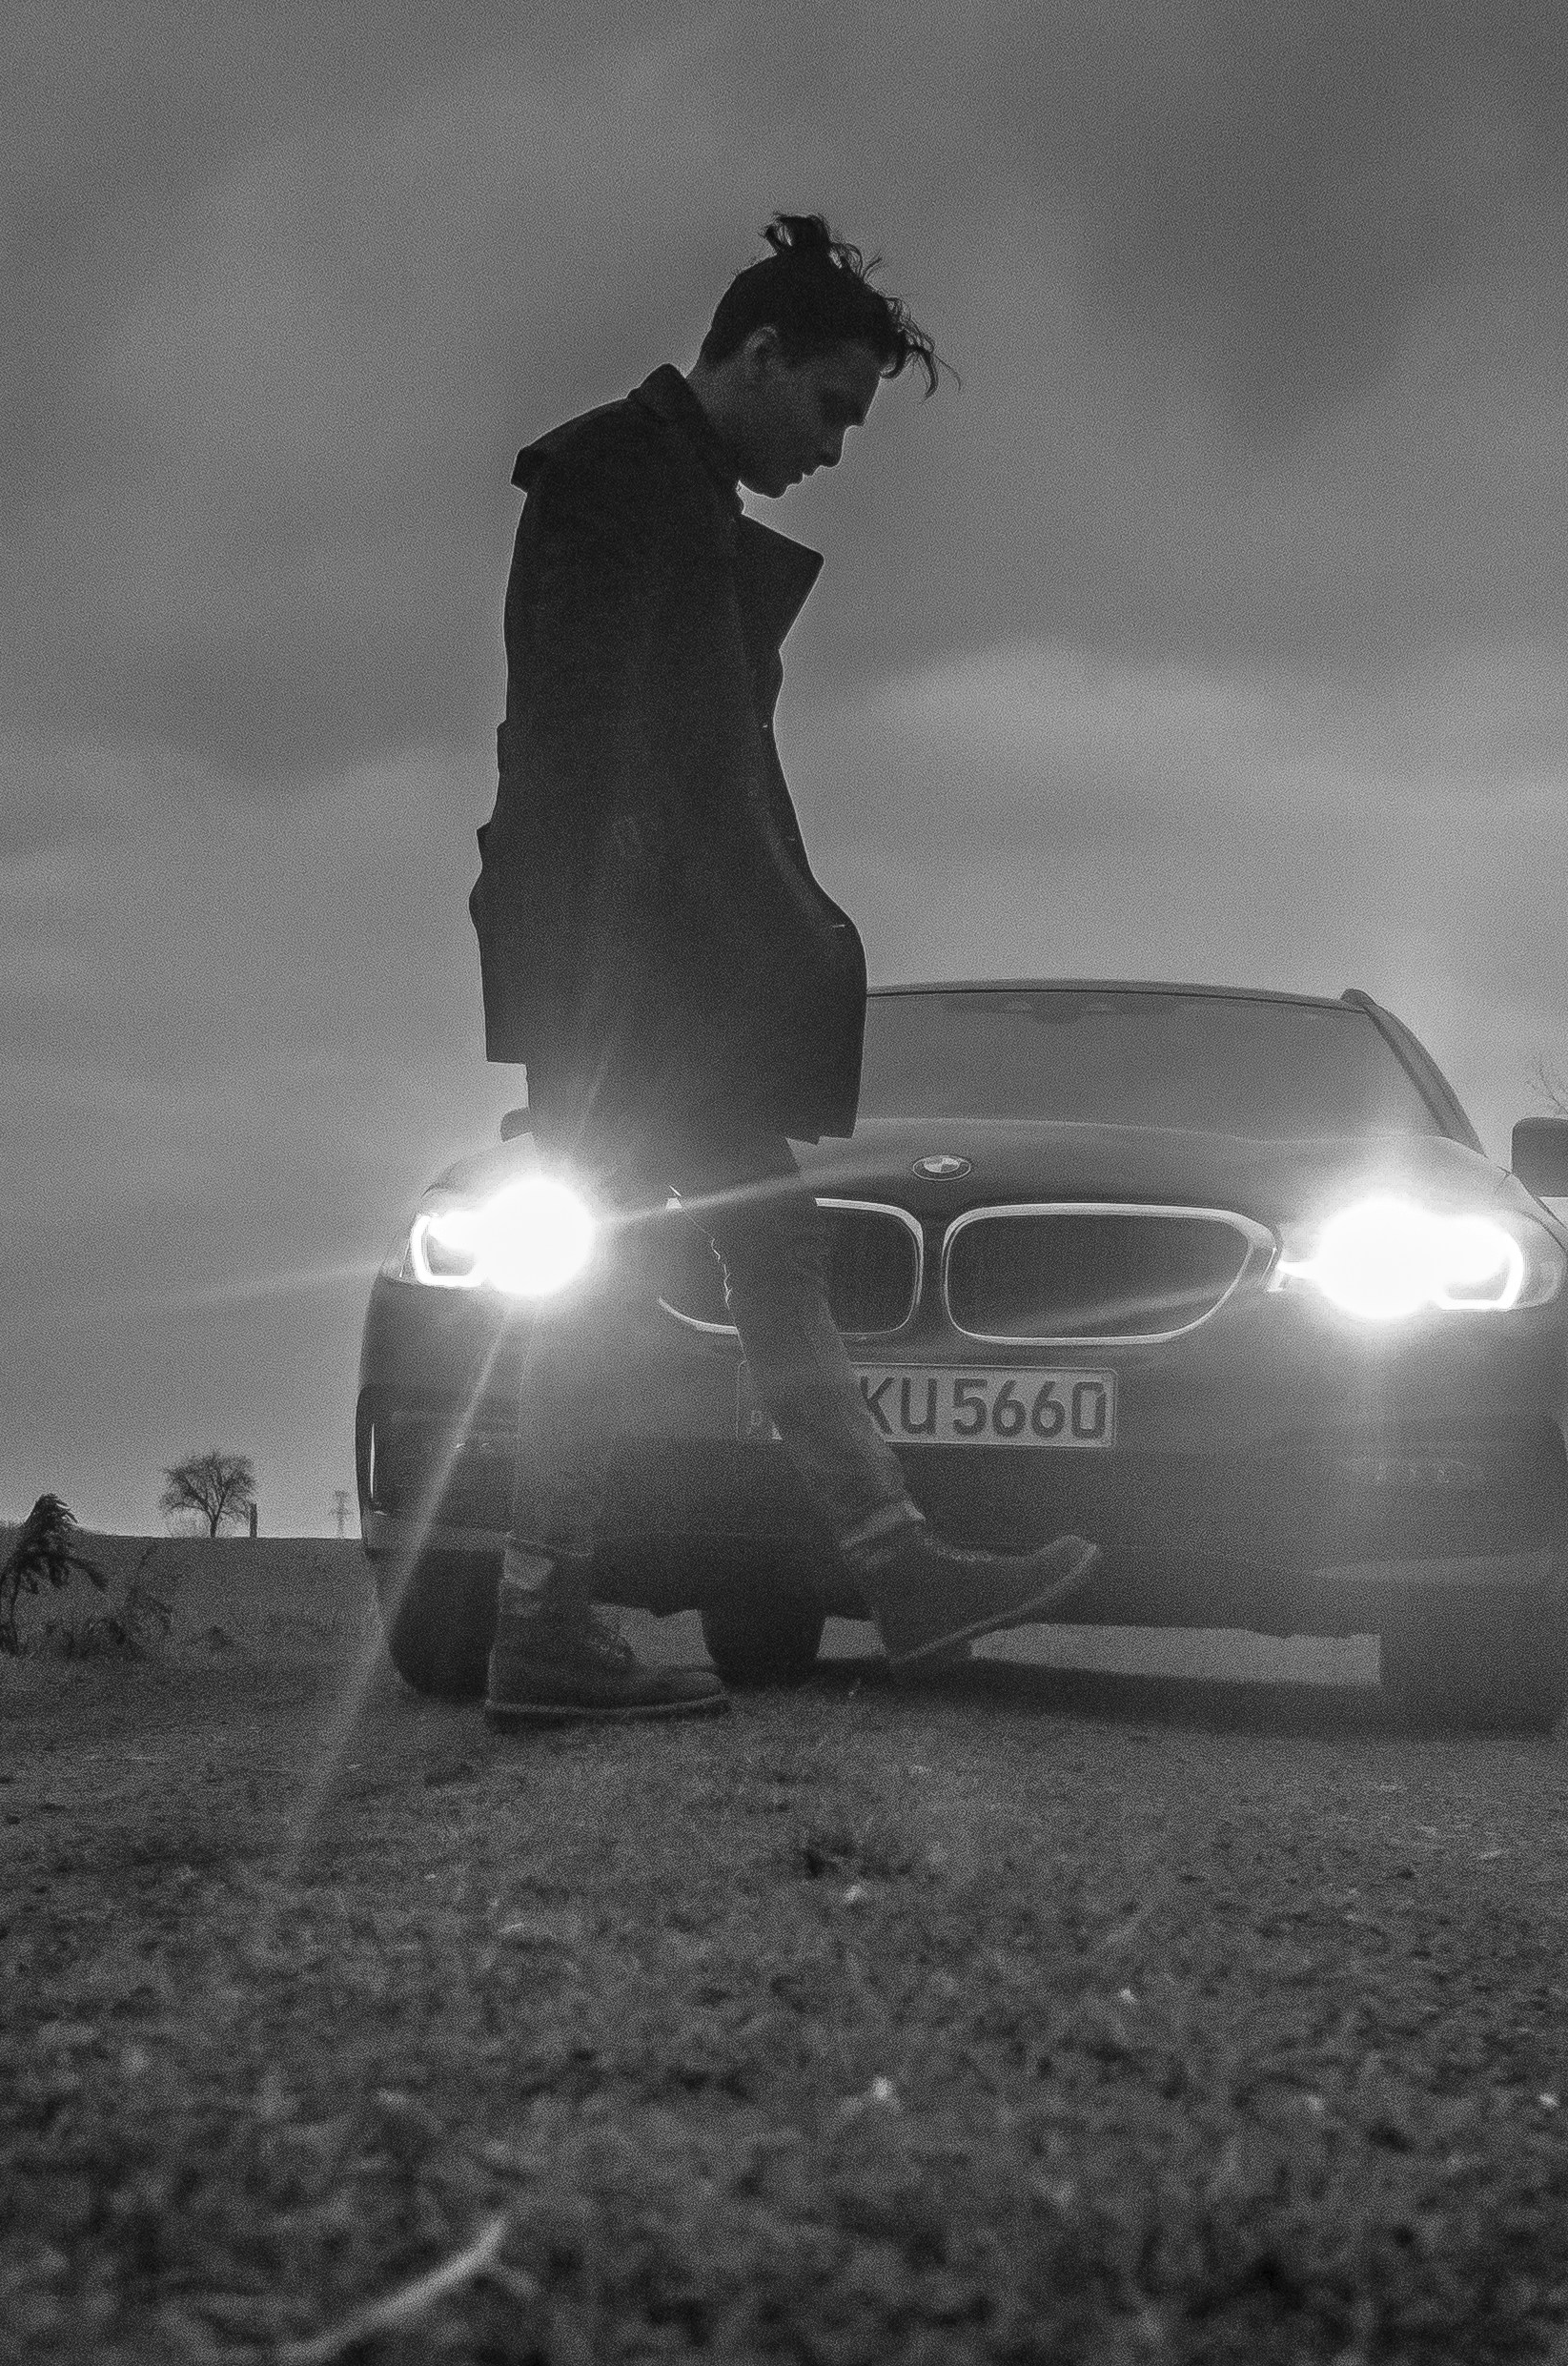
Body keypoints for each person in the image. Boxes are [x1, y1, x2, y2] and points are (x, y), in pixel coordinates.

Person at [466, 213, 1096, 1727]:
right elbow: (598, 756)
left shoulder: (666, 489)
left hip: (654, 971)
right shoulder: (615, 477)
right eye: (829, 406)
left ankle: (890, 1566)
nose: (833, 448)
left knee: (768, 1248)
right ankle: (549, 1614)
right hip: (631, 976)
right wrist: (615, 1017)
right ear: (758, 354)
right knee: (626, 1279)